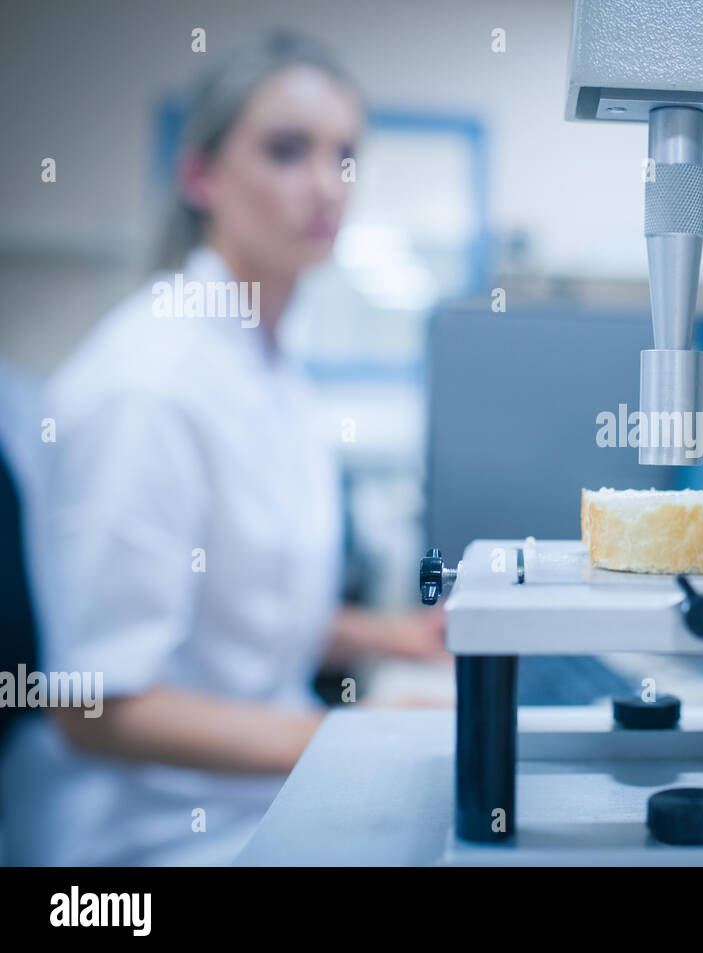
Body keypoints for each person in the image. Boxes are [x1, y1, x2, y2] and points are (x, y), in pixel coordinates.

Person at [0, 32, 446, 866]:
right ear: (199, 174)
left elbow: (241, 612)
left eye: (344, 156)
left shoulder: (268, 362)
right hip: (151, 838)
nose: (325, 184)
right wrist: (361, 738)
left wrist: (395, 637)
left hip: (261, 795)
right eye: (286, 151)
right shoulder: (149, 384)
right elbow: (97, 706)